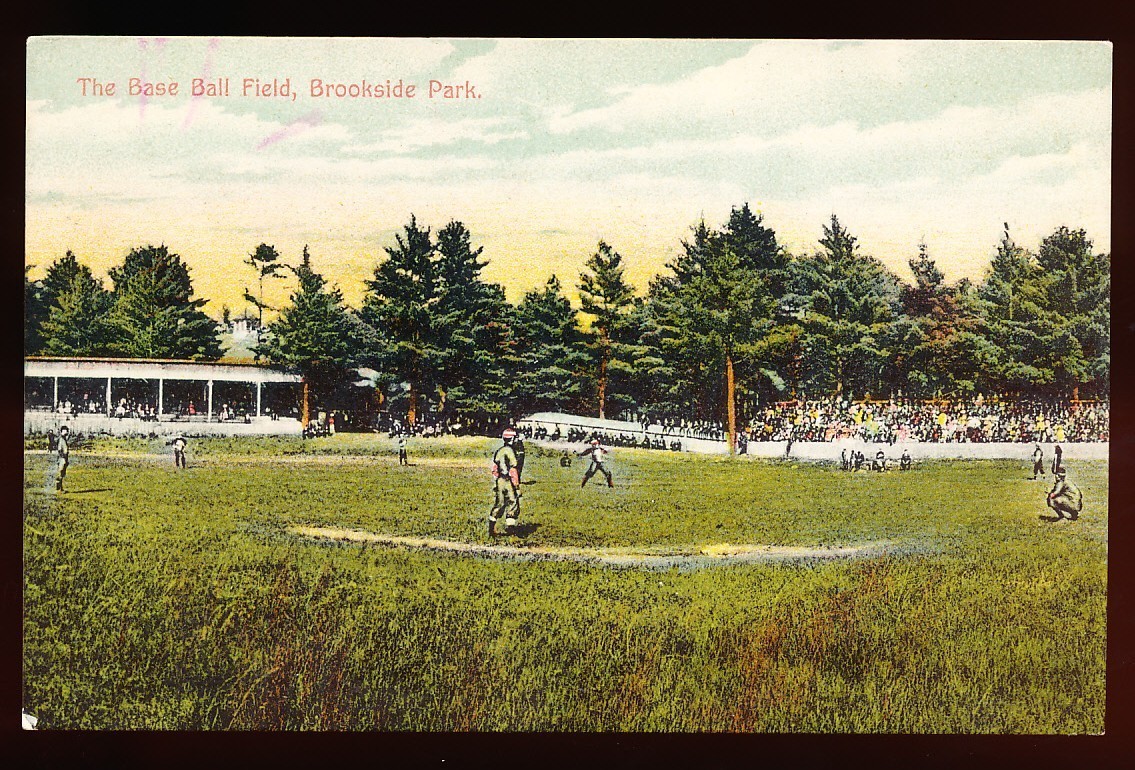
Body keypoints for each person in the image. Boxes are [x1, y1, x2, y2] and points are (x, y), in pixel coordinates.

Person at [488, 428, 522, 536]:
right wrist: (516, 486)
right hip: (508, 481)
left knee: (499, 503)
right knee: (513, 503)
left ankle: (491, 529)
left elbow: (494, 468)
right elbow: (513, 470)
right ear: (512, 439)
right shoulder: (510, 451)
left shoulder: (499, 451)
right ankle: (511, 531)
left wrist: (496, 481)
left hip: (499, 481)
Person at [54, 425, 70, 492]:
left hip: (64, 457)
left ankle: (60, 488)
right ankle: (59, 489)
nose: (67, 432)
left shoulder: (64, 439)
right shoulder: (61, 439)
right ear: (62, 431)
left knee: (63, 473)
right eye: (65, 430)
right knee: (61, 473)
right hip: (62, 458)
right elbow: (60, 449)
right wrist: (63, 458)